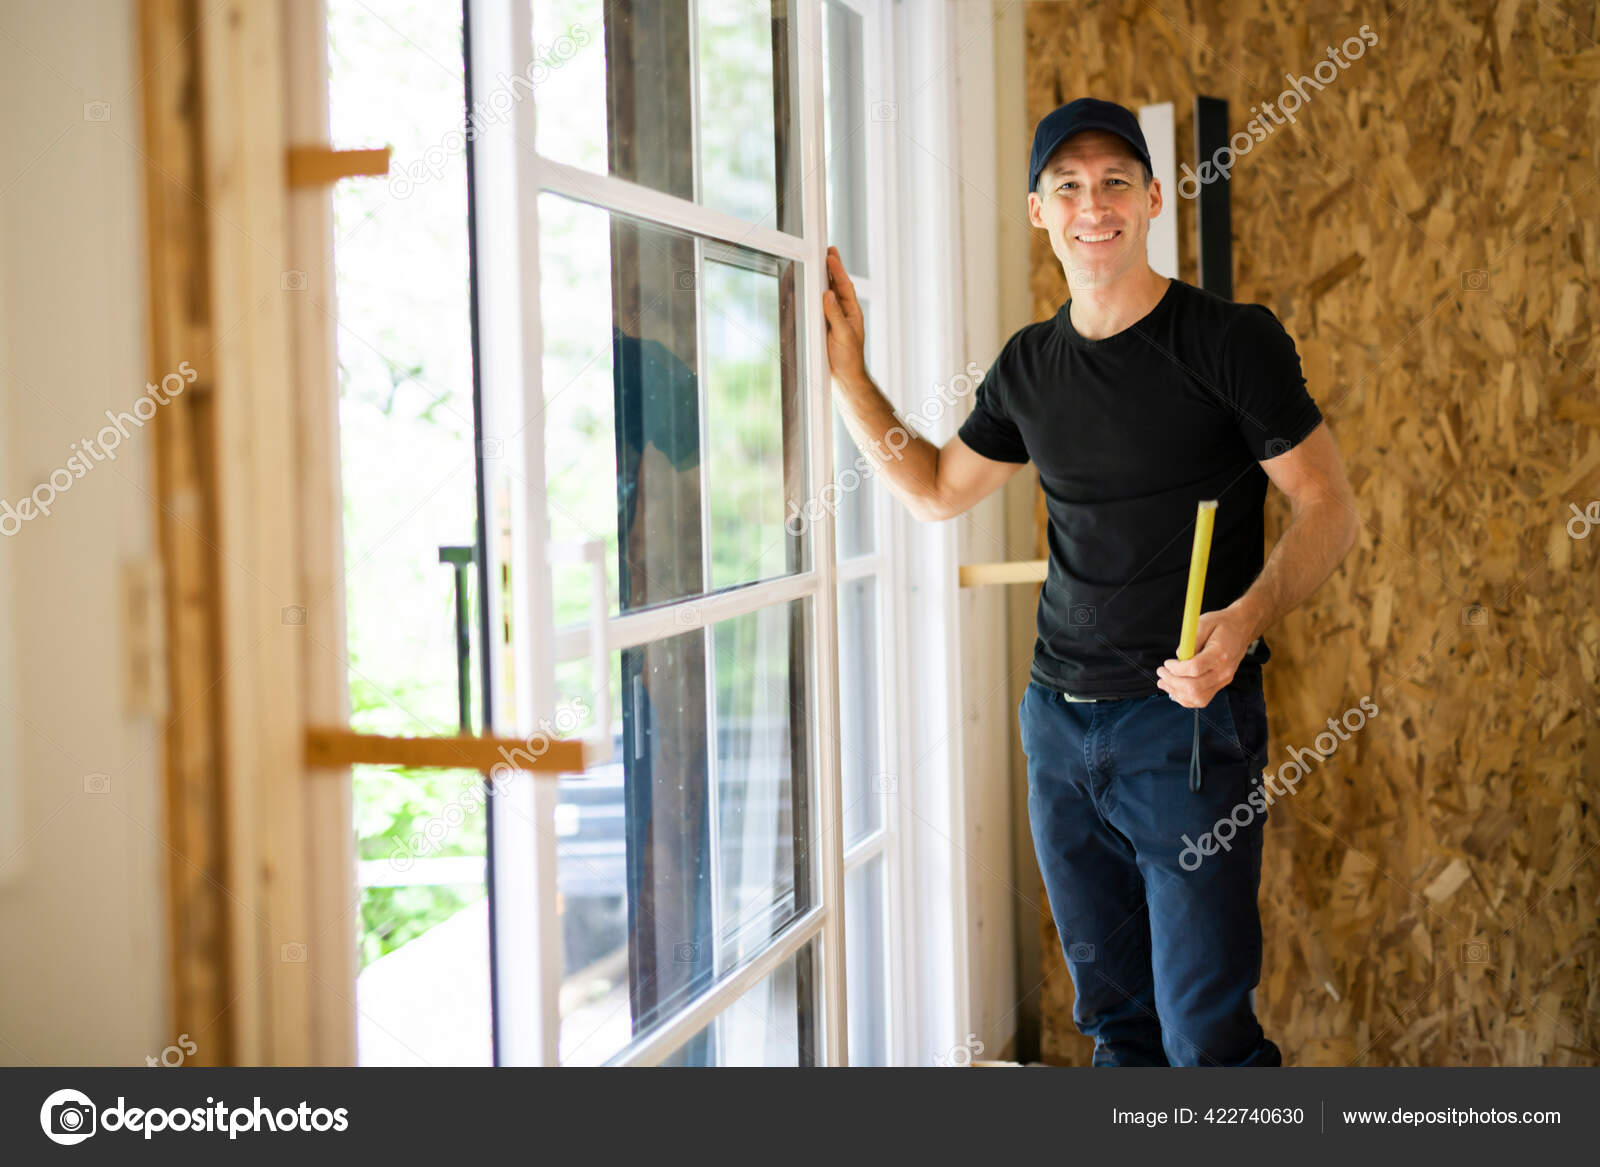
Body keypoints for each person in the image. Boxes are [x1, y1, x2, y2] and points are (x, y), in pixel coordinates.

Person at [822, 96, 1358, 1067]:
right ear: (1039, 211)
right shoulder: (1029, 367)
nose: (1092, 204)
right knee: (1117, 1028)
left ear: (1154, 197)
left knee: (1205, 1037)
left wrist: (1243, 619)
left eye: (1114, 181)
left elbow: (1329, 509)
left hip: (1184, 728)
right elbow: (938, 490)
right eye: (1067, 186)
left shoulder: (1230, 341)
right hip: (1058, 728)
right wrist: (850, 377)